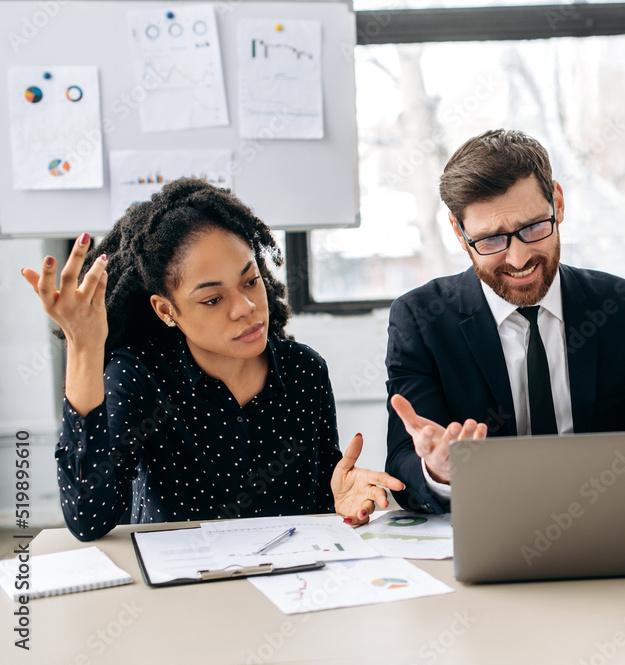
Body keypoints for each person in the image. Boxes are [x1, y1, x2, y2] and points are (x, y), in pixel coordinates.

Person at [21, 179, 403, 541]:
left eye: (250, 281)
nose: (246, 308)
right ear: (166, 310)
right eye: (212, 299)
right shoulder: (137, 374)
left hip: (291, 587)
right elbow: (89, 519)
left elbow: (321, 499)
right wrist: (84, 345)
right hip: (183, 595)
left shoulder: (304, 370)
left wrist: (339, 501)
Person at [385, 129, 625, 514]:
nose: (518, 258)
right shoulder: (420, 319)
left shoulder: (616, 304)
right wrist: (439, 471)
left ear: (557, 203)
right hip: (488, 527)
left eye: (532, 228)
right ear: (460, 234)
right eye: (491, 240)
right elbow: (402, 463)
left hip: (607, 524)